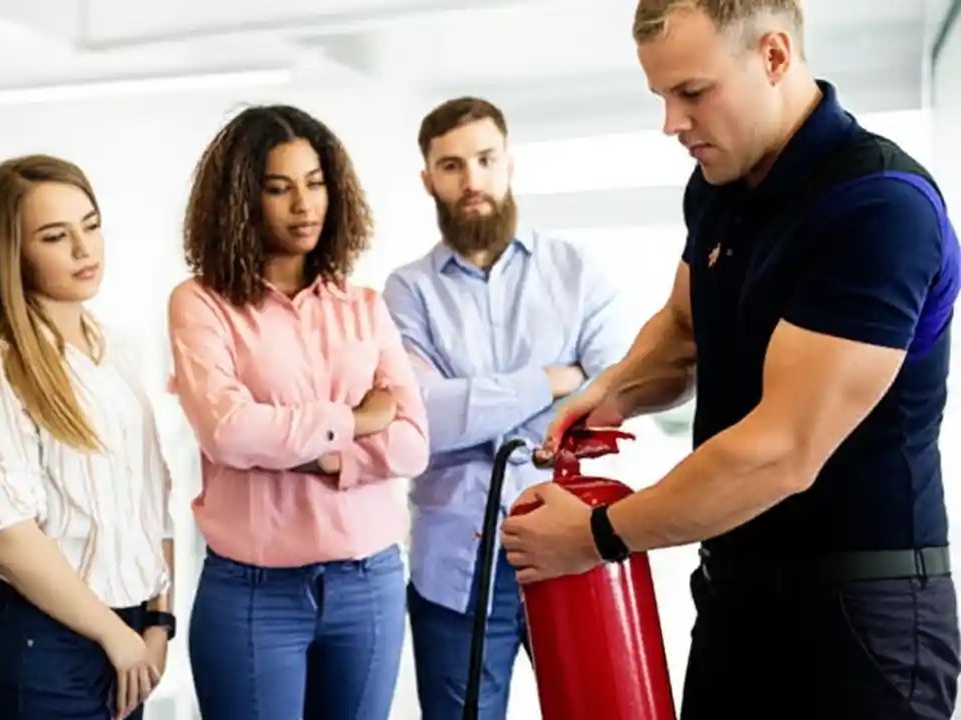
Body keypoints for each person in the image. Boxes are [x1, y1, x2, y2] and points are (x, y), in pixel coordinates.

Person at [500, 2, 961, 718]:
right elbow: (685, 327)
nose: (672, 123)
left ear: (774, 56)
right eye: (661, 97)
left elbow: (783, 451)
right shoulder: (718, 187)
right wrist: (615, 388)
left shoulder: (878, 208)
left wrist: (596, 537)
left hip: (862, 618)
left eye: (692, 92)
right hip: (735, 596)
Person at [168, 104, 430, 719]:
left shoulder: (363, 305)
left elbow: (414, 442)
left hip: (369, 584)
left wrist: (305, 448)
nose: (303, 205)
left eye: (314, 184)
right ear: (241, 200)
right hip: (254, 595)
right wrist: (357, 420)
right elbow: (230, 433)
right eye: (279, 188)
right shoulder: (201, 304)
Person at [381, 96, 627, 719]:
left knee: (597, 709)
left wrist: (477, 401)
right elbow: (424, 419)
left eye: (485, 159)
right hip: (456, 570)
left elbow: (613, 396)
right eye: (452, 165)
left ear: (509, 162)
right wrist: (553, 377)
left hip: (572, 546)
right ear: (427, 179)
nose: (472, 181)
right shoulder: (407, 292)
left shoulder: (576, 271)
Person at [0, 154, 174, 720]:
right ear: (12, 252)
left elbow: (152, 502)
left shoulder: (113, 349)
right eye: (55, 236)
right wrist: (115, 636)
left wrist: (157, 624)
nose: (84, 249)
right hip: (43, 646)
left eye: (90, 226)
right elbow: (6, 536)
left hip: (128, 637)